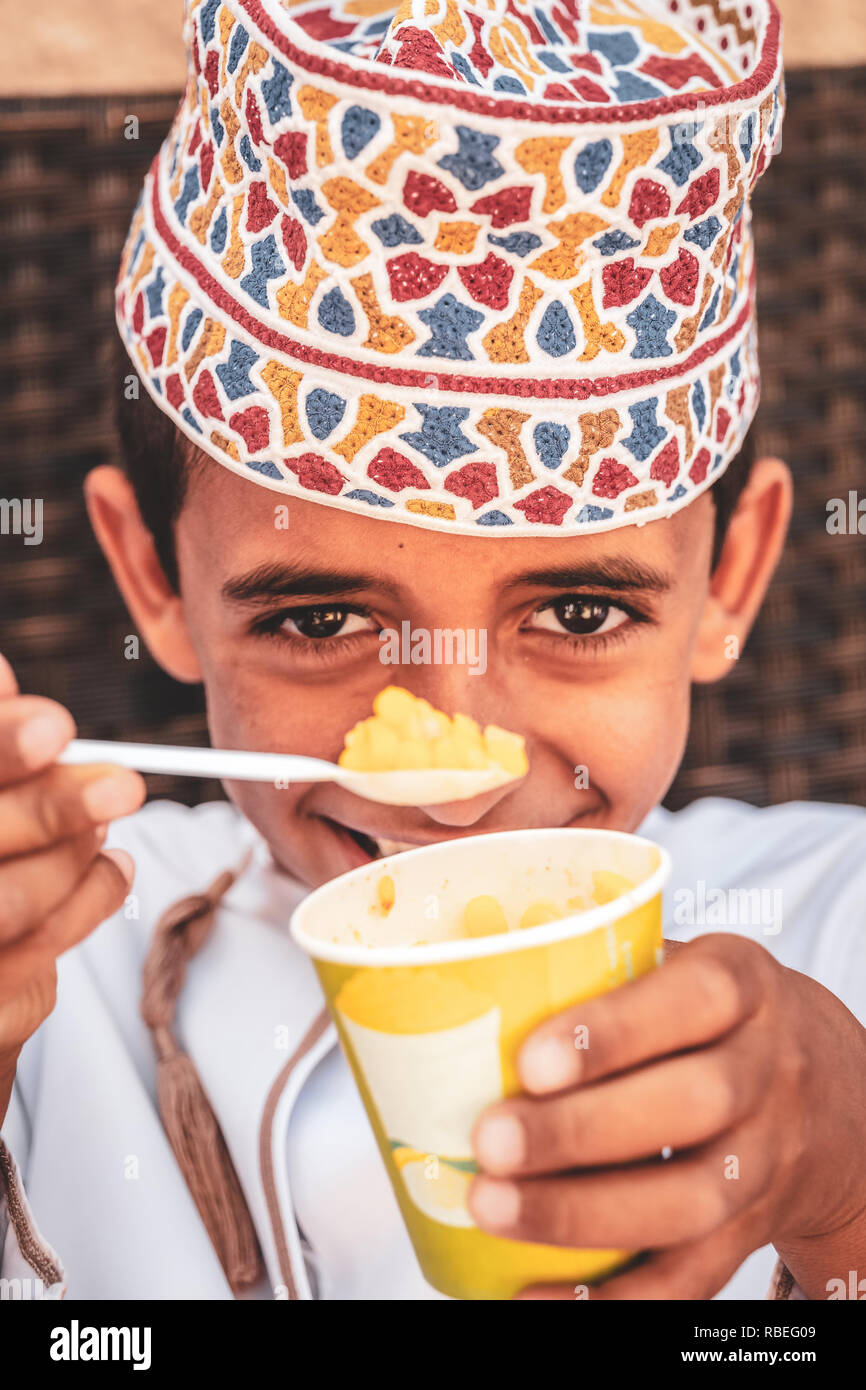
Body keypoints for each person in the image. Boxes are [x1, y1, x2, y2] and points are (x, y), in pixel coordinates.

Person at [2, 0, 864, 1302]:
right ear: (152, 579)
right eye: (317, 620)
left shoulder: (837, 928)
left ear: (727, 581)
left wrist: (843, 1204)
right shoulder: (52, 979)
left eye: (576, 615)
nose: (458, 782)